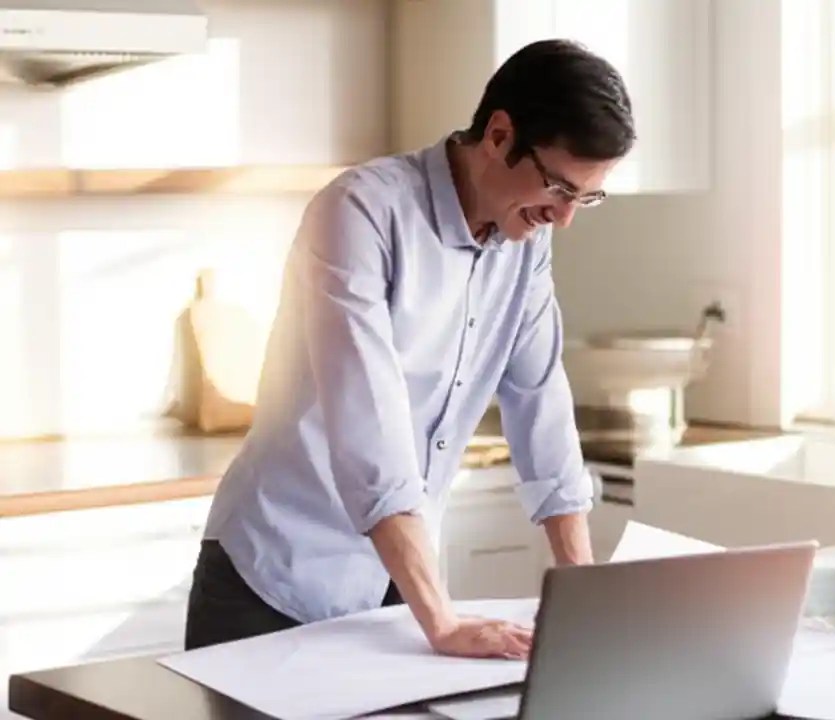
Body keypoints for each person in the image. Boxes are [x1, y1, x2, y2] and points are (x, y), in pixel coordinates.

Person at [183, 39, 635, 660]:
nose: (564, 218)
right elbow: (371, 432)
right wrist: (442, 621)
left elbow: (541, 404)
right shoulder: (361, 211)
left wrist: (585, 591)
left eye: (585, 197)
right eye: (560, 187)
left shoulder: (524, 240)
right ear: (500, 135)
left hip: (396, 583)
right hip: (274, 580)